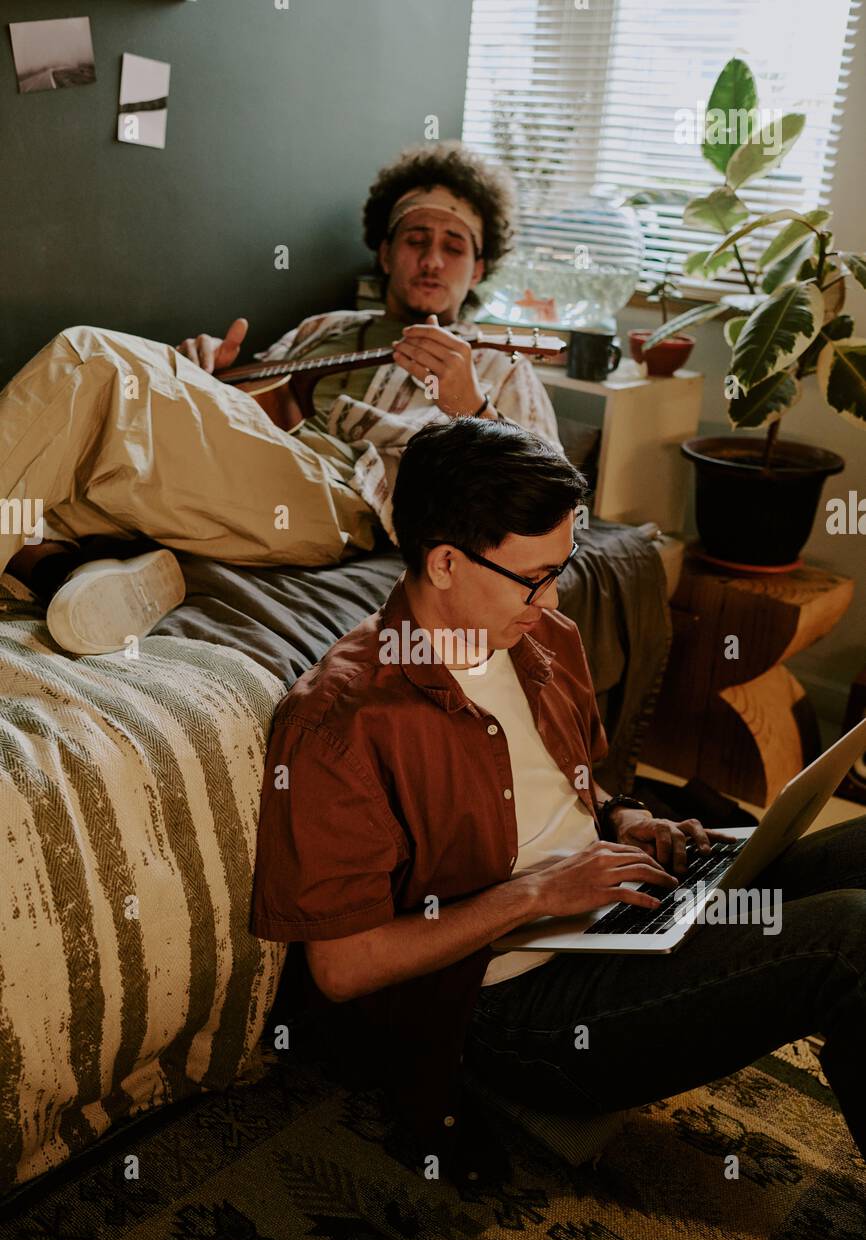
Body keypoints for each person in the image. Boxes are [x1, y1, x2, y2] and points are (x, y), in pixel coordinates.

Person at [250, 415, 866, 1184]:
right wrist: (538, 892)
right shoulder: (340, 723)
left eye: (562, 567)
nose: (551, 594)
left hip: (614, 911)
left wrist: (626, 817)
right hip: (510, 1003)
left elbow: (574, 784)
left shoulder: (541, 636)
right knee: (847, 939)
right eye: (534, 576)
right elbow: (341, 968)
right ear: (445, 562)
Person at [0, 141, 558, 654]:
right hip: (259, 468)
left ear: (479, 267)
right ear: (386, 254)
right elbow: (248, 411)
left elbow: (551, 500)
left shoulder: (498, 361)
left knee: (90, 360)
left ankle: (69, 567)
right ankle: (76, 575)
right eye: (415, 241)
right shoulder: (326, 328)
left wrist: (471, 408)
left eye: (453, 246)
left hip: (336, 498)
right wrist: (210, 377)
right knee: (57, 462)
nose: (432, 259)